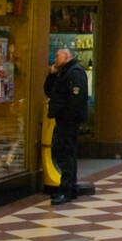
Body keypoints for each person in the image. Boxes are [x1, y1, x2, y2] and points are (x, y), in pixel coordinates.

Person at [44, 47, 88, 205]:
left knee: (66, 153)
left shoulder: (75, 72)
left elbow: (77, 98)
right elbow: (49, 91)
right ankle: (70, 187)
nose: (55, 58)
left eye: (58, 55)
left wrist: (68, 116)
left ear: (67, 57)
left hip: (68, 120)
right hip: (62, 119)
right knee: (65, 152)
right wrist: (52, 73)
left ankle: (66, 189)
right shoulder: (62, 72)